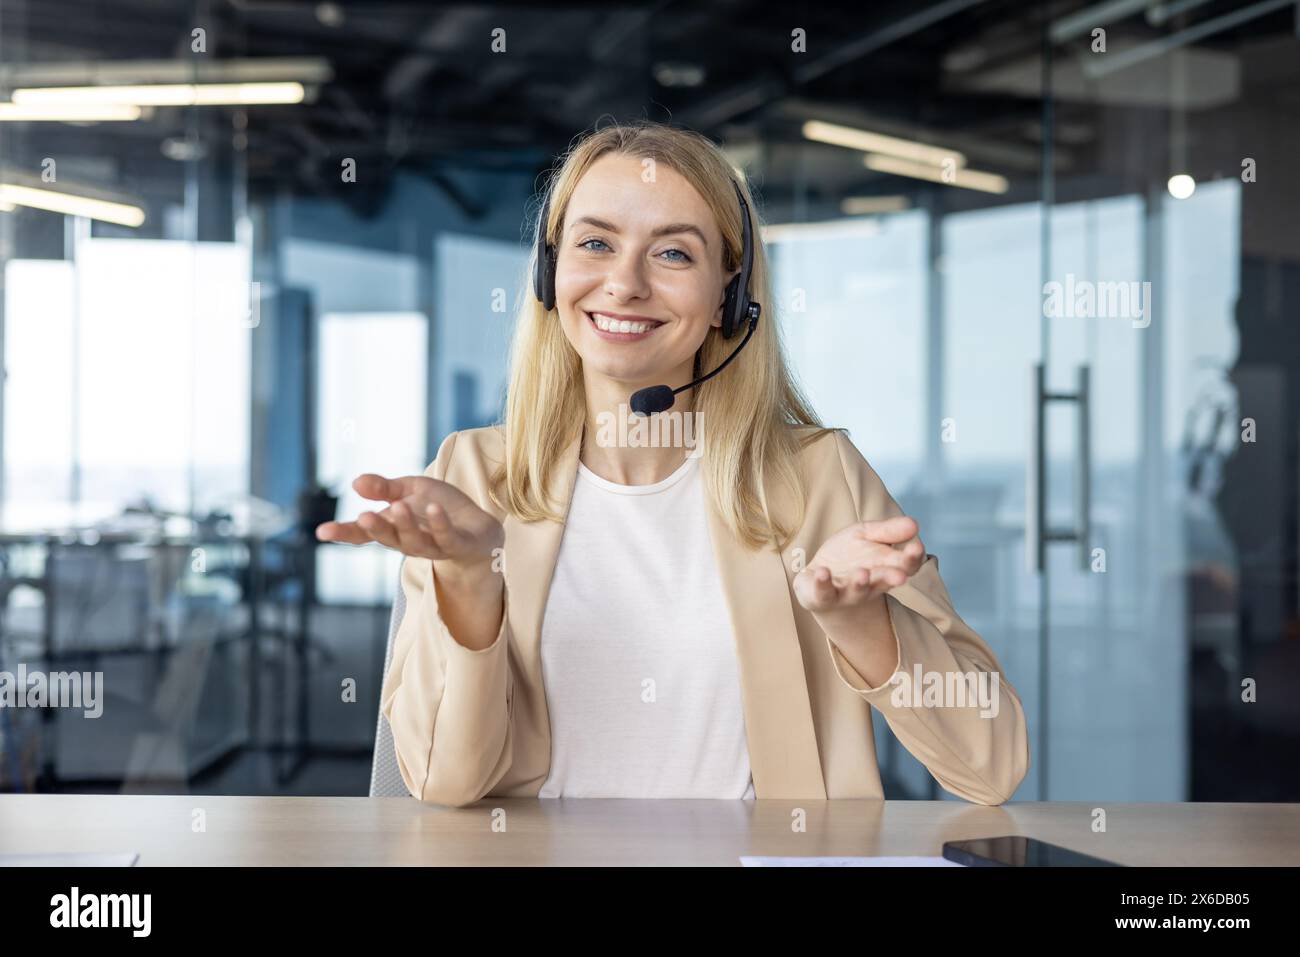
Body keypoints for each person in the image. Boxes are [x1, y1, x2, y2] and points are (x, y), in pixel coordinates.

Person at [316, 120, 1029, 808]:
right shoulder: (476, 473)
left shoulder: (819, 478)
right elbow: (443, 781)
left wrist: (862, 625)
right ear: (547, 273)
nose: (624, 284)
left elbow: (991, 764)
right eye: (595, 243)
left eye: (674, 254)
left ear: (731, 295)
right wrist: (472, 583)